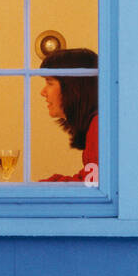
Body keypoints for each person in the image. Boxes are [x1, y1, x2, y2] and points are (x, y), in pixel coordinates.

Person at [39, 47, 98, 184]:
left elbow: (92, 185)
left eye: (49, 82)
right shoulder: (96, 124)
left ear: (72, 87)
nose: (43, 92)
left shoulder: (98, 126)